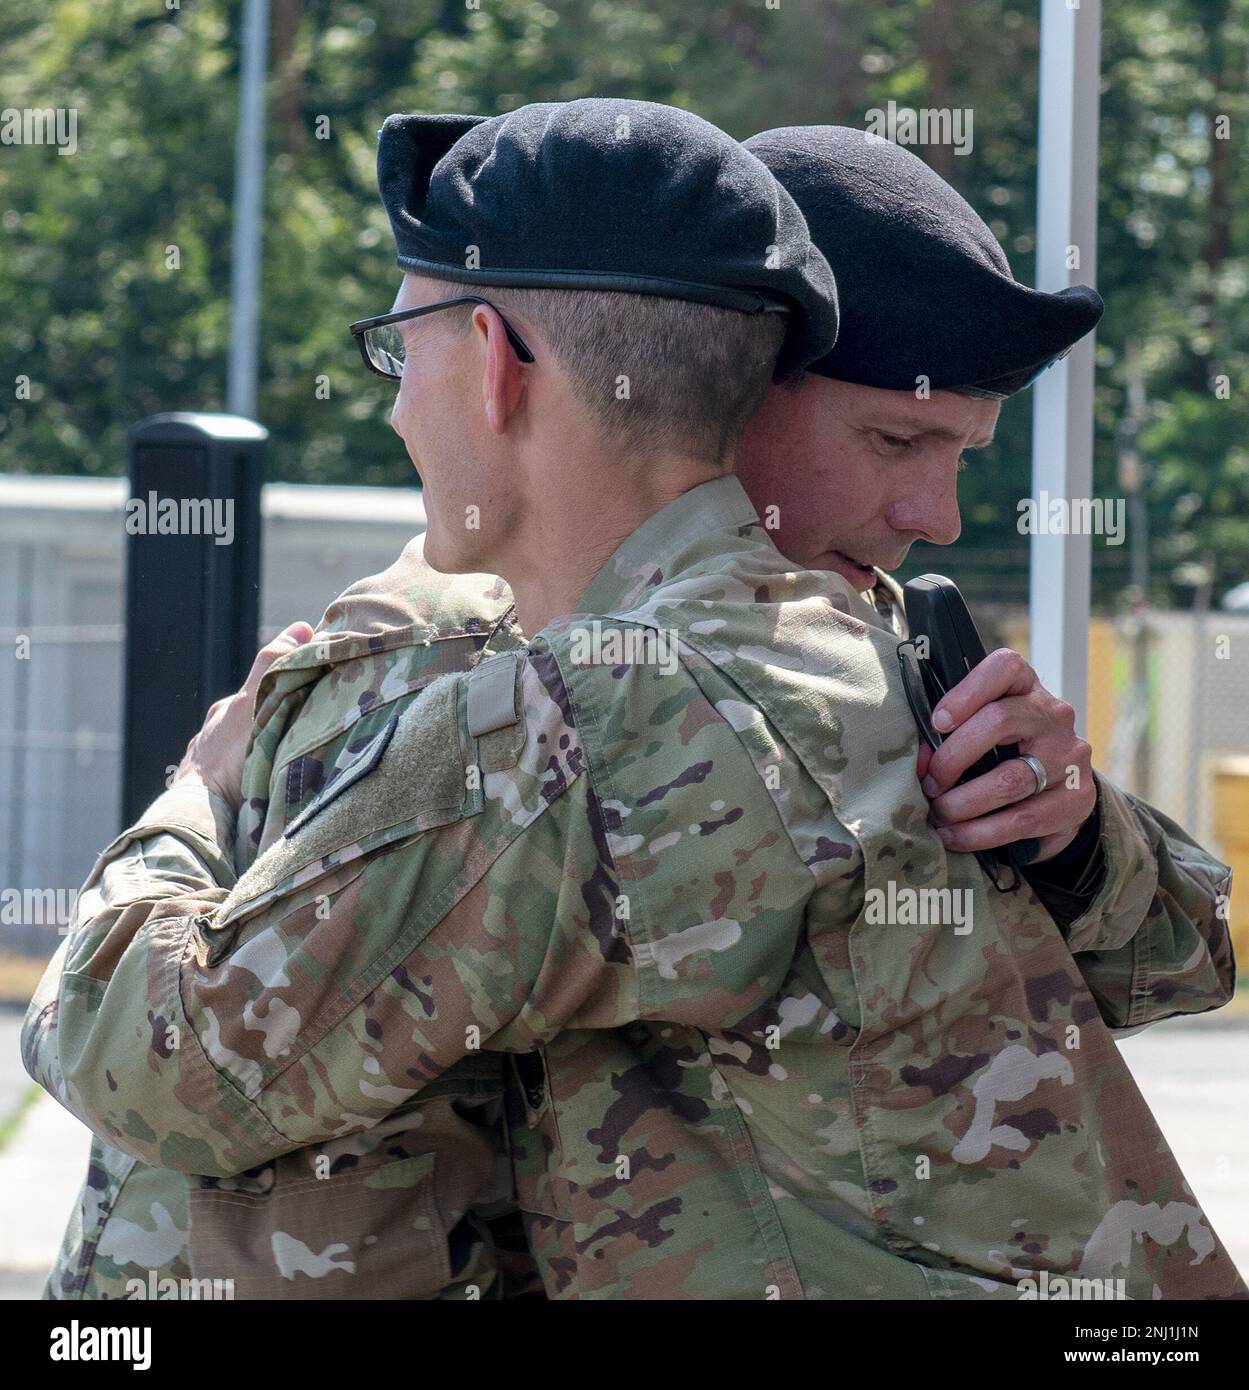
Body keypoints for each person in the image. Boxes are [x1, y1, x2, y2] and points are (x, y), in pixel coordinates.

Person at [27, 107, 1242, 1299]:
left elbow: (1171, 963)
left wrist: (1075, 835)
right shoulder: (450, 658)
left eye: (958, 455)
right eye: (892, 442)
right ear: (731, 384)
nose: (940, 517)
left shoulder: (791, 652)